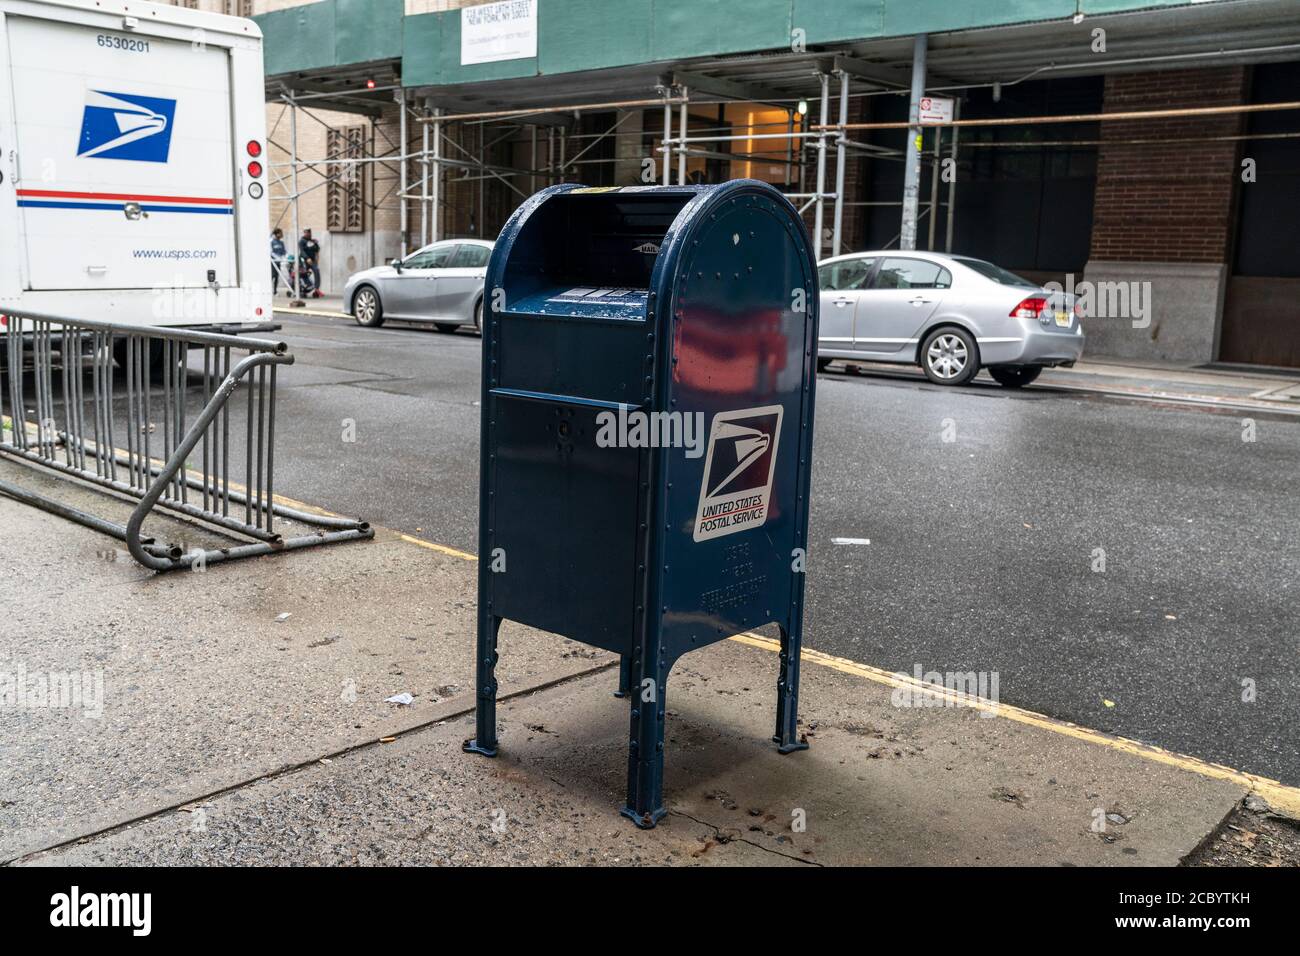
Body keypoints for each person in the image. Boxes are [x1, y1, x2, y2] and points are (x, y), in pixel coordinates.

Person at [298, 228, 322, 298]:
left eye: (308, 232)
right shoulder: (301, 241)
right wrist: (307, 258)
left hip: (313, 260)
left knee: (317, 271)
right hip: (304, 260)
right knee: (303, 273)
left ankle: (316, 289)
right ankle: (303, 289)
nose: (307, 234)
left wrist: (317, 259)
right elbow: (302, 251)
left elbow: (317, 250)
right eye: (305, 232)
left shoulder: (312, 241)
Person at [270, 228, 286, 294]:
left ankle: (275, 290)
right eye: (280, 233)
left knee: (276, 276)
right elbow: (270, 252)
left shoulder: (281, 242)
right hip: (273, 261)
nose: (282, 234)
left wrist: (284, 257)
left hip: (279, 261)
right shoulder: (272, 242)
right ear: (276, 234)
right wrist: (276, 257)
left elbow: (284, 251)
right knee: (272, 275)